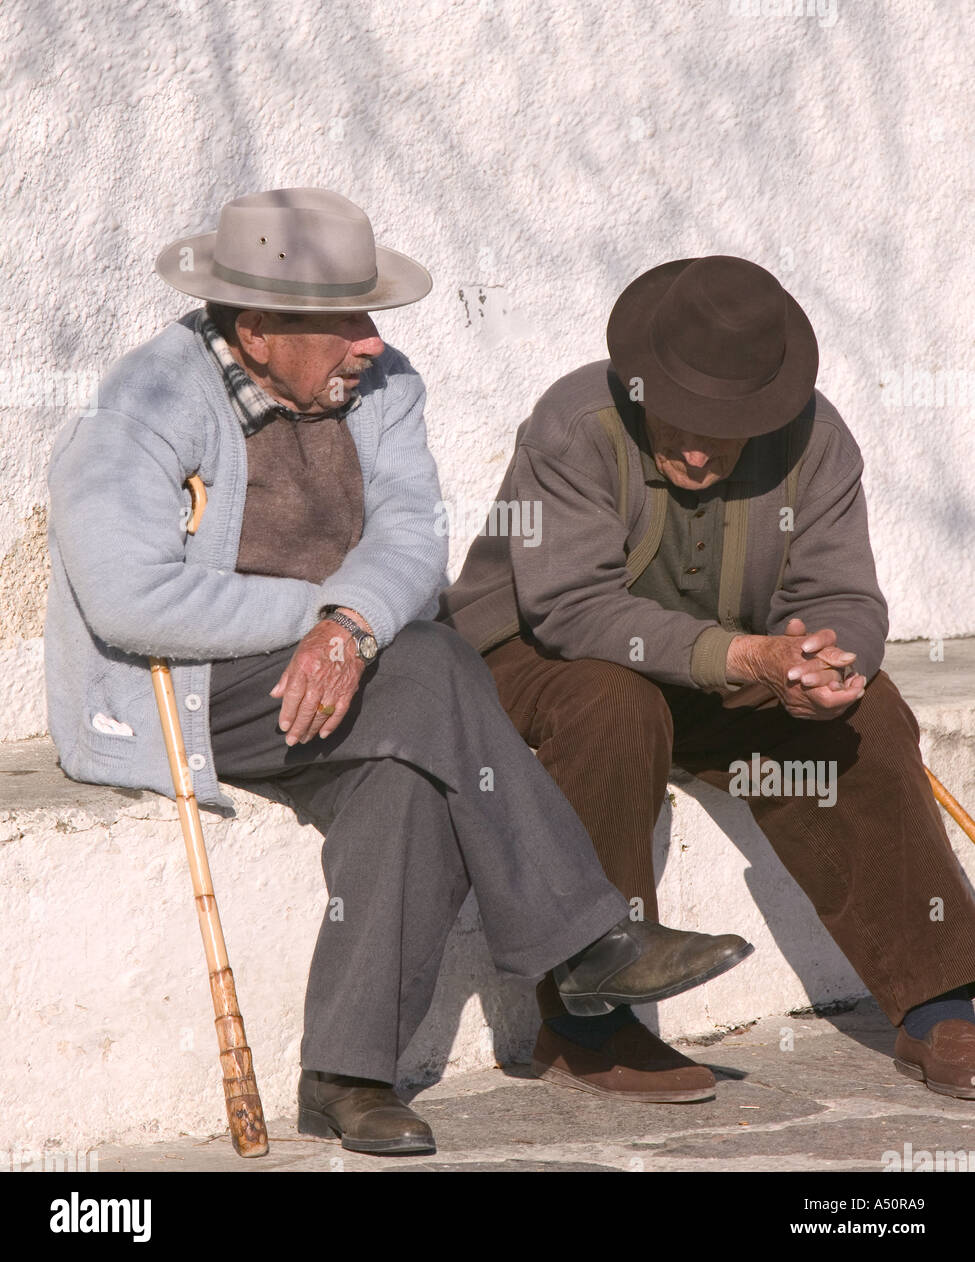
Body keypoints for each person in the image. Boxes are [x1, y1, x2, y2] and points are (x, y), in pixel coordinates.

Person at [43, 192, 751, 1157]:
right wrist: (328, 621)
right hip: (192, 694)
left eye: (369, 318)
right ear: (255, 331)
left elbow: (414, 536)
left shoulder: (383, 386)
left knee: (407, 778)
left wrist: (349, 626)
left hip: (358, 680)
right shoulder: (147, 402)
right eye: (343, 323)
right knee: (430, 660)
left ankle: (346, 1078)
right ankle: (587, 942)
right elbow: (128, 598)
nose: (370, 343)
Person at [440, 255, 975, 1104]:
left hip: (708, 675)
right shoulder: (575, 424)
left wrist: (828, 661)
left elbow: (838, 595)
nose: (695, 446)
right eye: (678, 419)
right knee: (615, 703)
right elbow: (571, 608)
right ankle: (584, 1016)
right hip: (540, 664)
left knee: (867, 712)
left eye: (723, 428)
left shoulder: (817, 439)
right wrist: (745, 658)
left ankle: (941, 998)